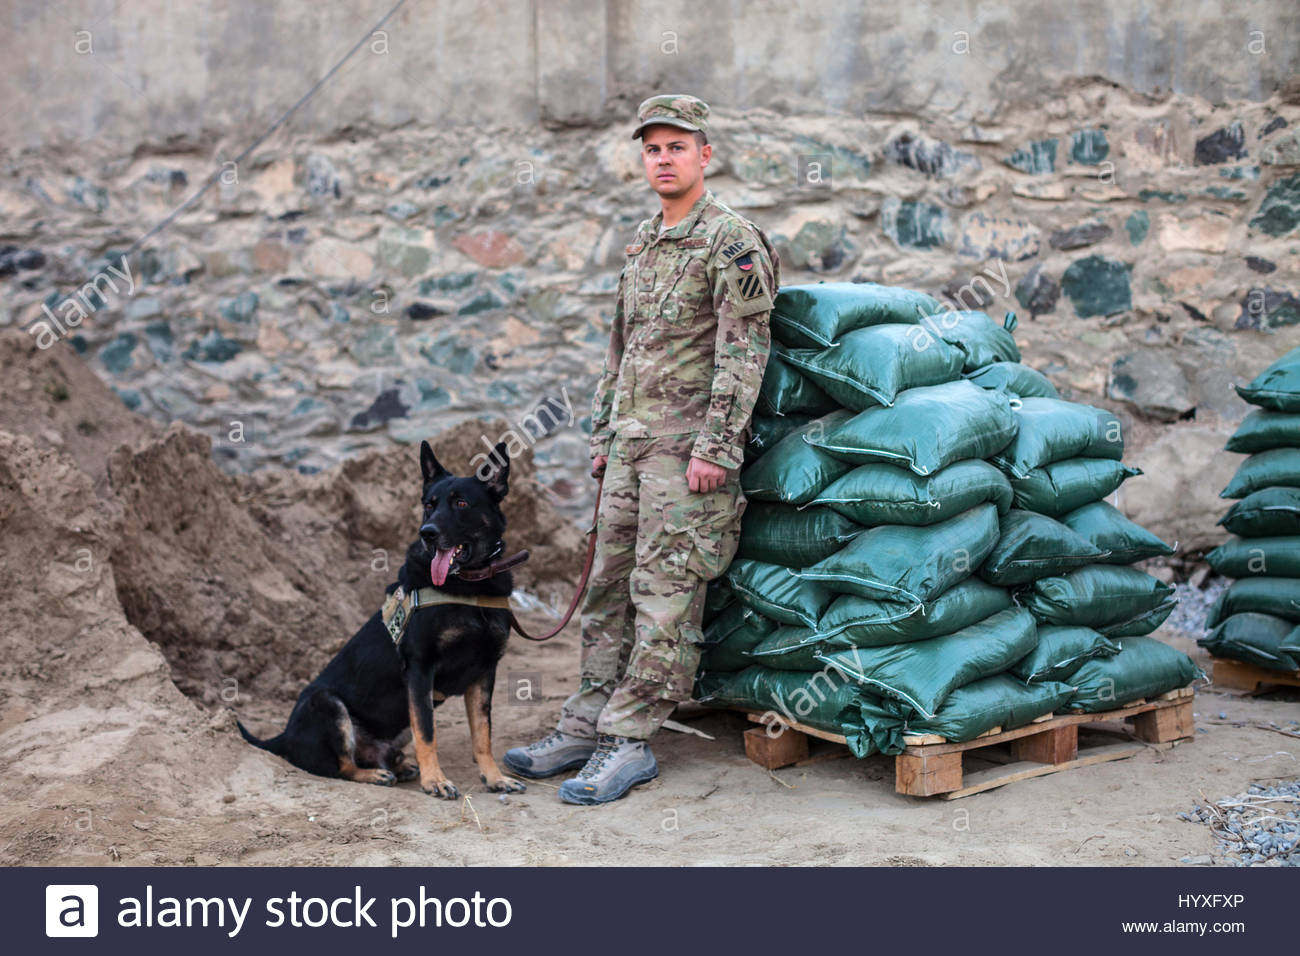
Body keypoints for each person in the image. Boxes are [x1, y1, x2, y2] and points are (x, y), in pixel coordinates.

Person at [504, 94, 780, 804]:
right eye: (652, 148)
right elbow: (620, 353)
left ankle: (629, 741)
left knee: (664, 597)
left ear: (704, 156)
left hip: (687, 459)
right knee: (603, 587)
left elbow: (742, 352)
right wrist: (604, 436)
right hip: (629, 451)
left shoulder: (732, 241)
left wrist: (716, 446)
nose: (663, 158)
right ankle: (586, 720)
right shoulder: (644, 241)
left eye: (677, 147)